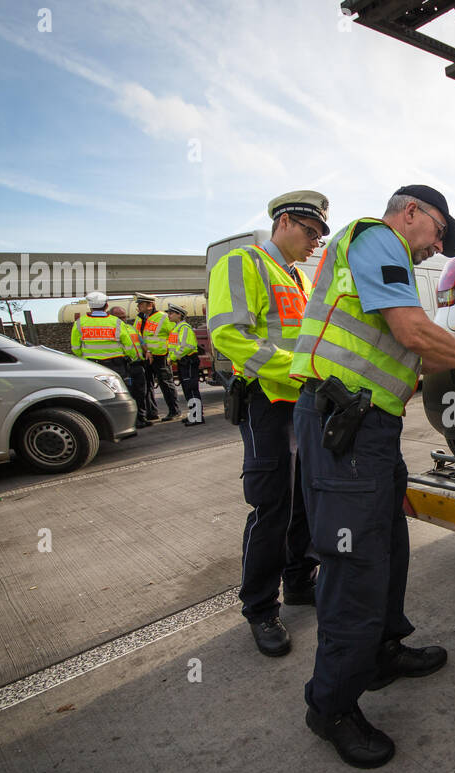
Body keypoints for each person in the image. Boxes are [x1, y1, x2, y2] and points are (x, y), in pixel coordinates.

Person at [289, 185, 455, 768]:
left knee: (389, 548)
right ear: (412, 211)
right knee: (356, 567)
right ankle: (331, 705)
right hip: (344, 426)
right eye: (438, 234)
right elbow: (412, 332)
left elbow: (414, 351)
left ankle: (382, 653)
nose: (435, 249)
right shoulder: (378, 237)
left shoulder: (387, 259)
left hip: (370, 430)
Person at [207, 190, 327, 657]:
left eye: (320, 235)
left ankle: (299, 580)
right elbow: (229, 334)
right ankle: (259, 607)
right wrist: (294, 370)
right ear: (285, 222)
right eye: (311, 232)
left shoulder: (296, 277)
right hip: (266, 402)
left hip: (299, 403)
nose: (316, 242)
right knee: (272, 506)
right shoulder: (243, 263)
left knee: (303, 500)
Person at [70, 291, 140, 382]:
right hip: (116, 364)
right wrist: (134, 358)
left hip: (92, 364)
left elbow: (75, 348)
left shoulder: (79, 323)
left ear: (90, 306)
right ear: (106, 306)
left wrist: (85, 357)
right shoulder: (117, 322)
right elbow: (128, 345)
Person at [135, 294, 181, 422]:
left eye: (141, 304)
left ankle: (174, 411)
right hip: (146, 356)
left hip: (161, 356)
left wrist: (170, 352)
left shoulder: (163, 317)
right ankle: (152, 413)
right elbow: (137, 336)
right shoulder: (139, 319)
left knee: (166, 384)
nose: (138, 306)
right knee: (147, 386)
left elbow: (174, 335)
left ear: (150, 305)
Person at [166, 303, 204, 426]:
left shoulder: (184, 328)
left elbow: (186, 347)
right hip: (184, 362)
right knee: (188, 390)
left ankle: (197, 417)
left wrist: (171, 357)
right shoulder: (177, 328)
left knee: (191, 389)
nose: (169, 315)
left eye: (171, 313)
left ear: (179, 315)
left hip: (188, 361)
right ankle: (194, 414)